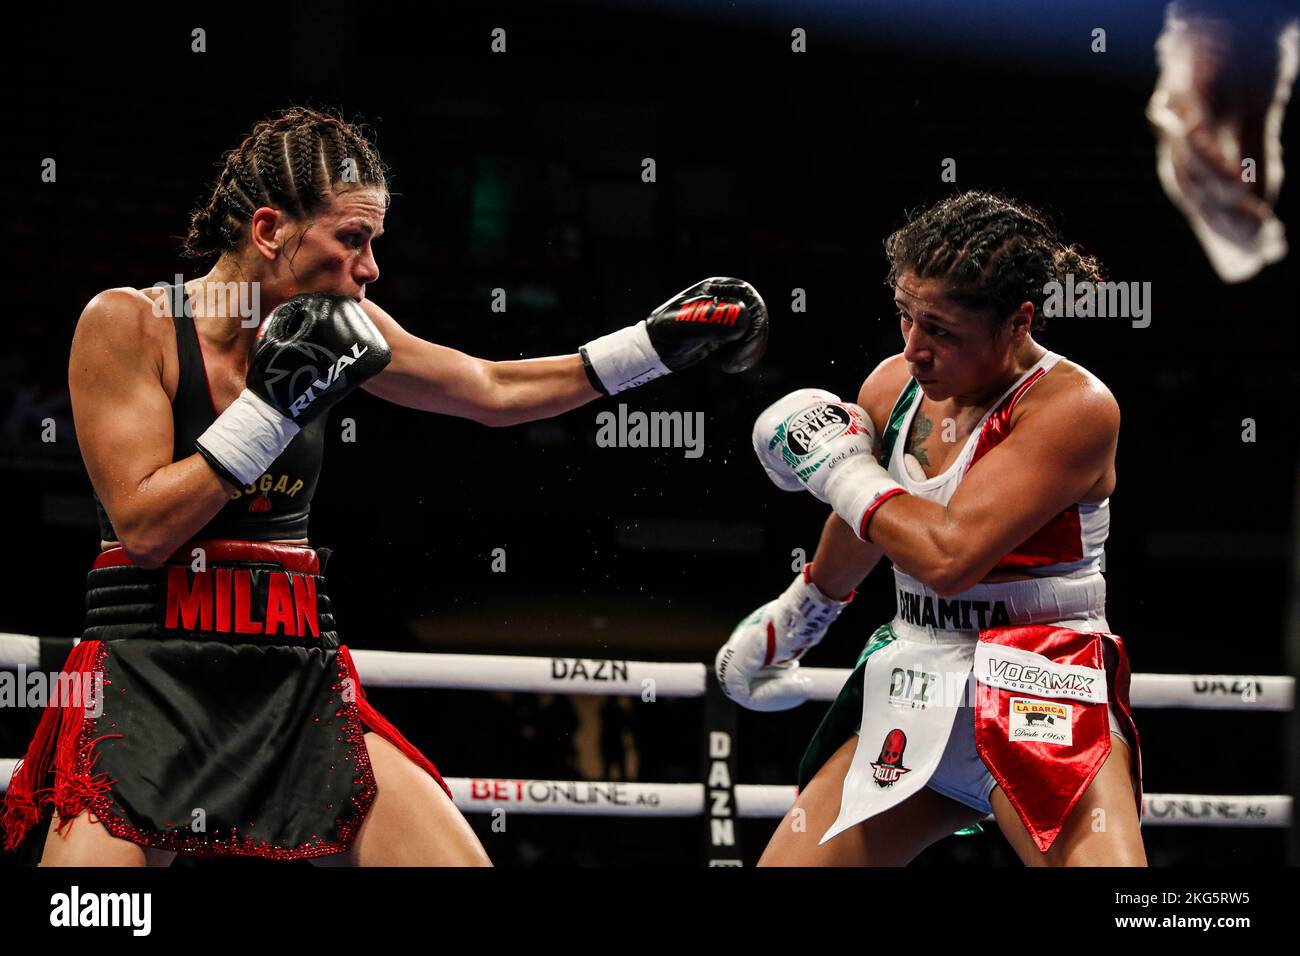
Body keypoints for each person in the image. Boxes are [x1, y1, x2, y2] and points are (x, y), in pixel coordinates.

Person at [1, 106, 767, 867]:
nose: (369, 268)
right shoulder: (129, 324)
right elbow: (143, 526)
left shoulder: (345, 326)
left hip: (291, 677)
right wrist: (271, 411)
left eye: (373, 242)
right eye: (352, 239)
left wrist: (653, 348)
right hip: (145, 679)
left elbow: (491, 388)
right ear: (269, 231)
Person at [717, 191, 1145, 866]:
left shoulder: (1073, 408)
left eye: (941, 331)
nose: (914, 350)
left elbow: (949, 555)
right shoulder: (894, 387)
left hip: (1041, 685)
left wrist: (838, 468)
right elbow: (869, 525)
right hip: (914, 679)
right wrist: (793, 617)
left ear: (1016, 323)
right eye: (905, 319)